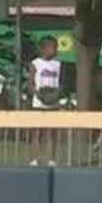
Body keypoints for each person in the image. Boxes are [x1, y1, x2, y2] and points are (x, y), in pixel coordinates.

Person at [28, 36, 64, 166]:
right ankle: (34, 160)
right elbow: (30, 83)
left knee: (51, 133)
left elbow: (61, 83)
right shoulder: (35, 63)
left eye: (55, 47)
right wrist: (38, 94)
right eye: (52, 47)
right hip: (39, 103)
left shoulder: (58, 64)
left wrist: (57, 94)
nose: (54, 50)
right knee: (36, 132)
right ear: (43, 48)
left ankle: (51, 160)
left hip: (53, 103)